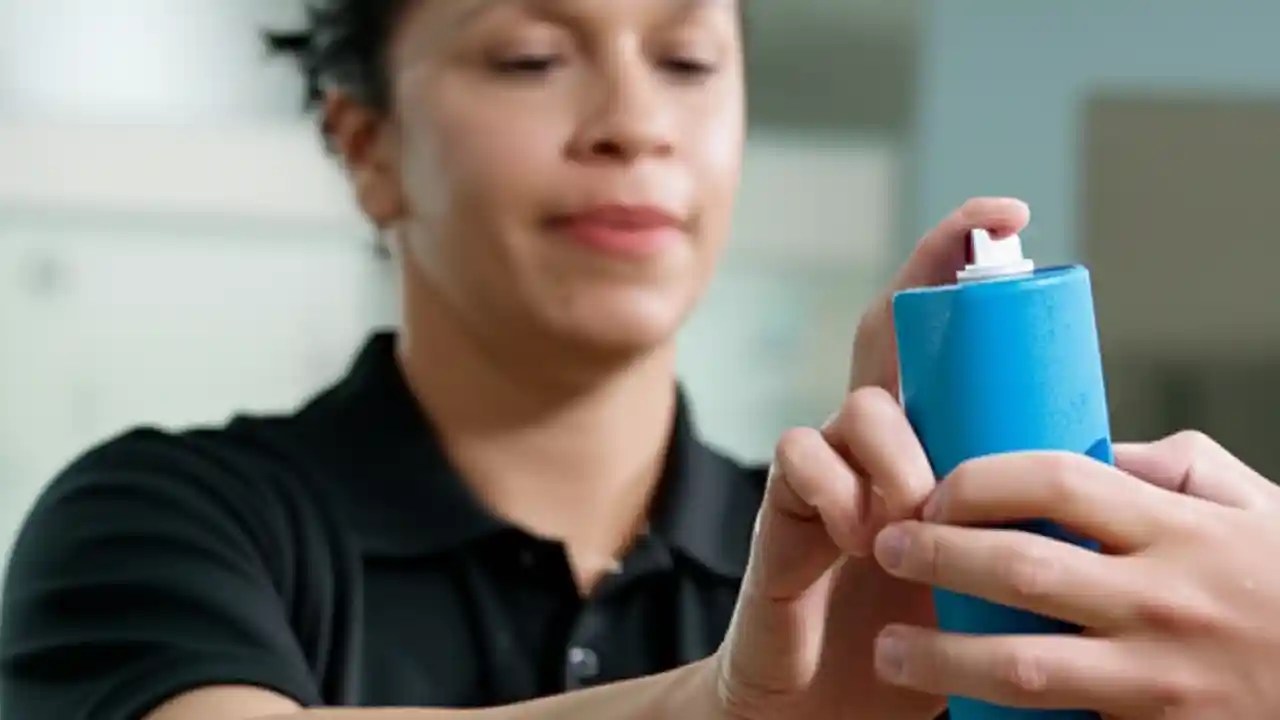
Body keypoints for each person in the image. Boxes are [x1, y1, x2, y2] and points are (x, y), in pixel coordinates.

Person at [4, 1, 1280, 718]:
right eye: (530, 57)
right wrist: (725, 709)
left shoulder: (851, 589)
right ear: (367, 144)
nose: (632, 125)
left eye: (684, 60)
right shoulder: (163, 526)